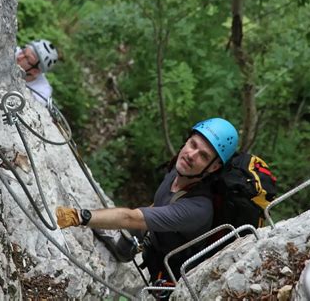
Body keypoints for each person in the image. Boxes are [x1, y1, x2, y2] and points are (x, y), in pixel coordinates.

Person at [56, 118, 239, 289]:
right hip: (154, 253)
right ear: (187, 140)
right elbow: (154, 208)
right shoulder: (179, 172)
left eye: (204, 156)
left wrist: (80, 216)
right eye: (192, 144)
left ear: (214, 167)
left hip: (171, 281)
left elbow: (133, 218)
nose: (191, 155)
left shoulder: (198, 209)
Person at [15, 39, 59, 106]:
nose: (19, 57)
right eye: (23, 51)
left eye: (27, 58)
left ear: (35, 71)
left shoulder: (41, 92)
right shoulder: (15, 52)